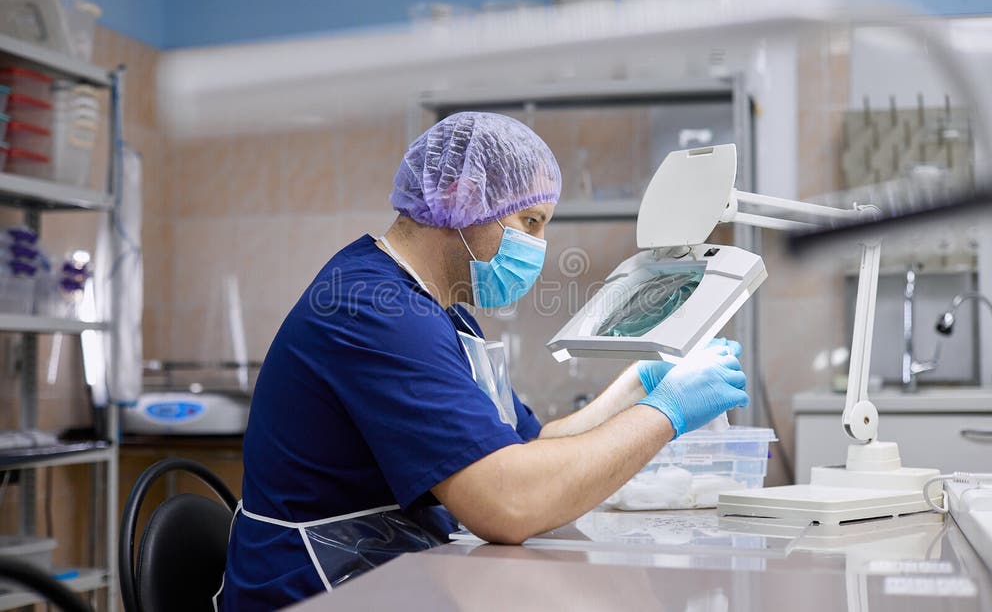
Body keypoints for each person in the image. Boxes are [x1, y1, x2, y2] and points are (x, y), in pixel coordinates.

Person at [218, 112, 748, 610]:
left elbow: (527, 450)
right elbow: (507, 503)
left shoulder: (443, 312)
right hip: (314, 590)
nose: (540, 245)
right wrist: (666, 413)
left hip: (381, 568)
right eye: (531, 220)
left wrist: (638, 383)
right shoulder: (374, 310)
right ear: (462, 197)